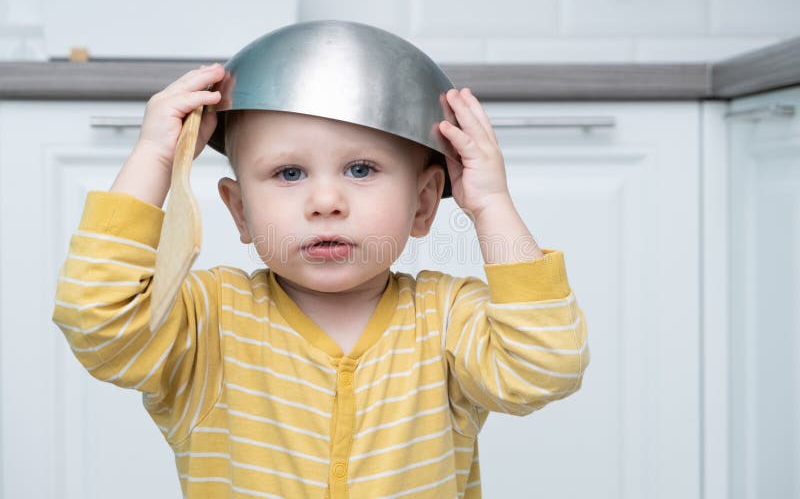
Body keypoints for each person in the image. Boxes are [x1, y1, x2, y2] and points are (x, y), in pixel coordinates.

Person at [52, 58, 591, 498]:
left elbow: (546, 366)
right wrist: (154, 156)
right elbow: (97, 319)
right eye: (289, 173)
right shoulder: (207, 321)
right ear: (240, 211)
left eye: (361, 169)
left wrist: (491, 204)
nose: (326, 201)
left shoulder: (449, 318)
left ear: (425, 202)